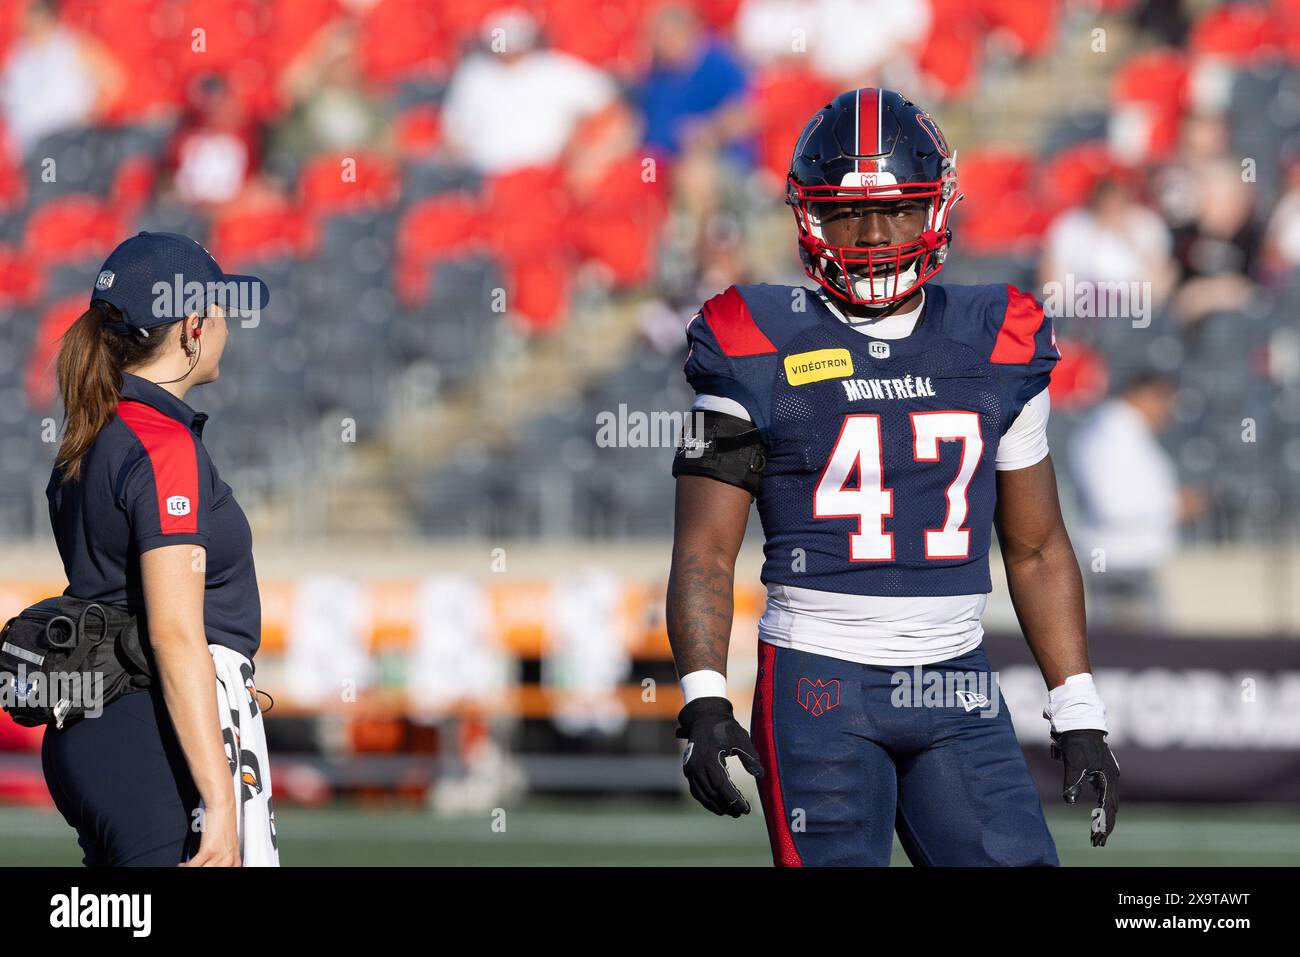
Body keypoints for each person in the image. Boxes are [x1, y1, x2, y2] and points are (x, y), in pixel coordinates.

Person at [666, 89, 1119, 866]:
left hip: (955, 683)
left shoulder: (996, 338)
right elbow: (705, 552)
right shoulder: (751, 339)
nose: (874, 235)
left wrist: (1078, 707)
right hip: (820, 683)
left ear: (938, 208)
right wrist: (704, 697)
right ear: (809, 217)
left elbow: (1039, 546)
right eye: (848, 214)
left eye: (899, 210)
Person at [43, 232, 278, 866]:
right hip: (149, 733)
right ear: (192, 326)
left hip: (103, 724)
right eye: (221, 310)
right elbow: (174, 635)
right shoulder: (160, 444)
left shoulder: (95, 431)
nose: (229, 325)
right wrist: (220, 807)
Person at [1068, 372, 1201, 628]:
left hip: (1133, 567)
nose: (1168, 410)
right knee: (1131, 657)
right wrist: (1173, 506)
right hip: (1119, 570)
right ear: (1142, 395)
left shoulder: (1127, 433)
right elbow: (1110, 505)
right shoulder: (1108, 435)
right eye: (1164, 400)